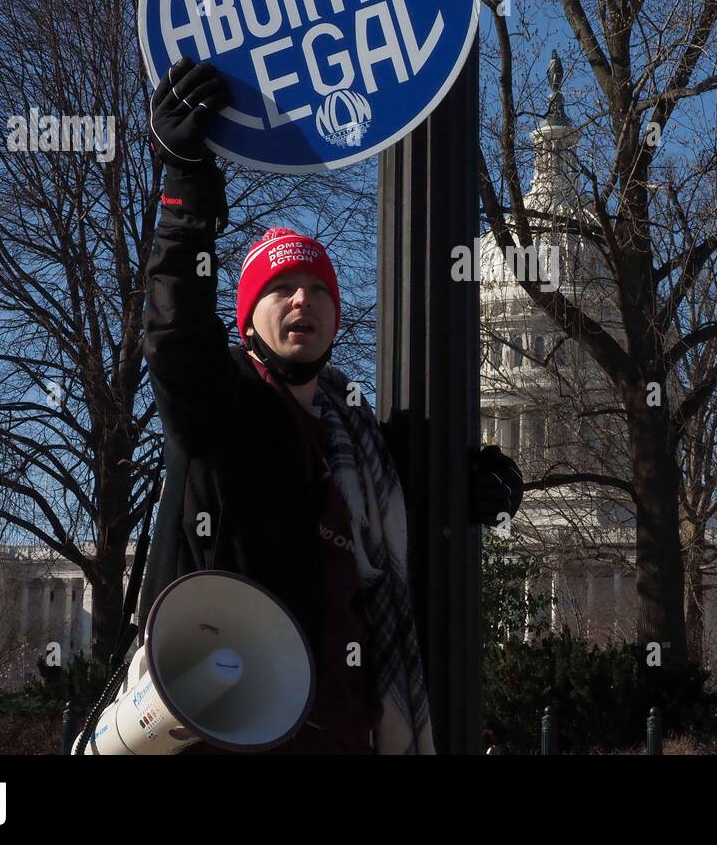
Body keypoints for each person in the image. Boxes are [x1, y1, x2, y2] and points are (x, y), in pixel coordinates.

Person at [136, 57, 524, 755]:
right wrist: (183, 179)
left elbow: (401, 527)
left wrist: (466, 487)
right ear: (246, 318)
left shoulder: (359, 443)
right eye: (279, 289)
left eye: (317, 290)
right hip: (229, 727)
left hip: (344, 732)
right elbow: (174, 336)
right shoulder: (222, 412)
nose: (300, 301)